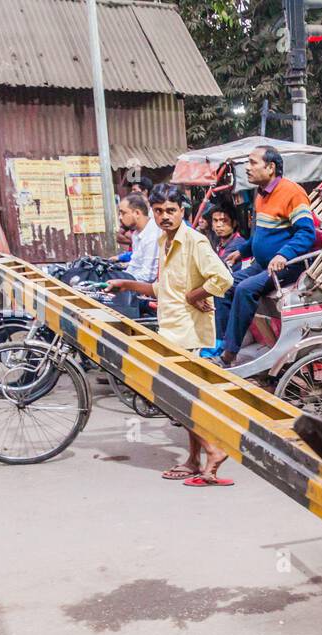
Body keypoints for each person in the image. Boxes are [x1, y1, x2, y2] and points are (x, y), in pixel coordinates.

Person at [107, 185, 236, 487]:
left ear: (182, 211)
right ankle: (195, 461)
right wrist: (125, 284)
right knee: (185, 397)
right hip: (173, 327)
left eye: (170, 211)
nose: (164, 216)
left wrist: (195, 295)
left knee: (176, 397)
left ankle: (212, 451)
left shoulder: (194, 241)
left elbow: (224, 278)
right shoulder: (166, 242)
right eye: (159, 211)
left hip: (187, 330)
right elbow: (160, 288)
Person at [208, 145, 316, 366]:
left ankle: (229, 355)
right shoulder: (261, 193)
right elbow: (260, 235)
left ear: (271, 167)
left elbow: (307, 233)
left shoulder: (292, 193)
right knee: (222, 286)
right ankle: (225, 342)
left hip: (286, 267)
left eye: (253, 162)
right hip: (263, 264)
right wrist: (243, 251)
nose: (247, 168)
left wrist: (284, 255)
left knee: (245, 290)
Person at [116, 193, 161, 283]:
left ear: (137, 213)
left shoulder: (152, 234)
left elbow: (149, 275)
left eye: (123, 213)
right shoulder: (136, 234)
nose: (120, 217)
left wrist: (124, 283)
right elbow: (134, 265)